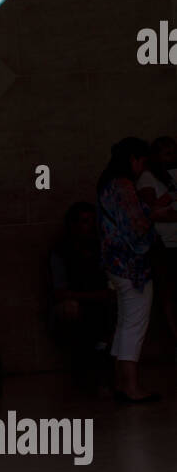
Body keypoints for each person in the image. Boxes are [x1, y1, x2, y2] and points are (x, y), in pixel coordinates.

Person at [96, 137, 167, 403]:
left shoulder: (107, 184)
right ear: (133, 160)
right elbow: (136, 225)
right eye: (141, 161)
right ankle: (131, 387)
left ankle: (121, 382)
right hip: (130, 265)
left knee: (126, 322)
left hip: (115, 263)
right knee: (134, 325)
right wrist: (155, 213)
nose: (141, 168)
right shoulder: (122, 185)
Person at [48, 202, 113, 388]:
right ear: (73, 225)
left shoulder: (102, 248)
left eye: (93, 221)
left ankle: (102, 352)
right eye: (85, 222)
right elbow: (60, 293)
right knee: (71, 308)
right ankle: (83, 356)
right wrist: (95, 296)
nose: (90, 227)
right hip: (80, 305)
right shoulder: (60, 252)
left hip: (101, 303)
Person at [137, 136, 177, 348]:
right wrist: (170, 199)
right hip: (164, 244)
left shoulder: (171, 175)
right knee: (168, 293)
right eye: (167, 153)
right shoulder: (148, 177)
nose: (172, 158)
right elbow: (147, 212)